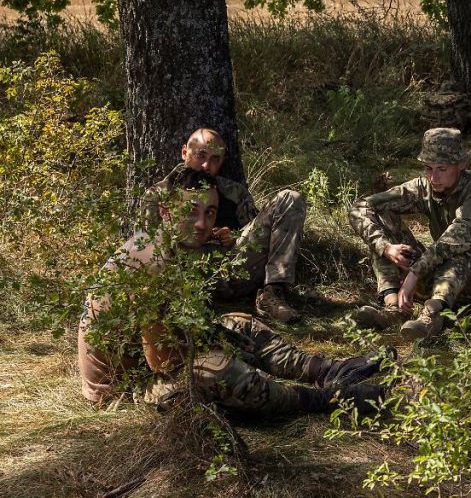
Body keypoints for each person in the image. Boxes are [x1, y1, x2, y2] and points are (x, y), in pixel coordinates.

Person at [79, 168, 386, 415]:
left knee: (238, 326)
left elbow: (179, 327)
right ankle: (323, 399)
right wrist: (218, 347)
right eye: (190, 211)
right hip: (127, 390)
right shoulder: (152, 263)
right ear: (165, 212)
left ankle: (325, 369)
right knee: (221, 370)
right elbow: (164, 361)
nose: (201, 224)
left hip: (149, 364)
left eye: (210, 213)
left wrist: (219, 335)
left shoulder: (162, 245)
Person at [348, 128, 471, 340]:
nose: (433, 177)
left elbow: (461, 234)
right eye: (428, 168)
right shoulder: (423, 186)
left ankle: (432, 314)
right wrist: (386, 248)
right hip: (438, 271)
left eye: (442, 169)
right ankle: (395, 308)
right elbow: (361, 207)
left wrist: (415, 273)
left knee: (462, 244)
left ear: (461, 165)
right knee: (382, 216)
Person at [143, 128, 306, 322]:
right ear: (185, 152)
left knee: (289, 198)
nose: (206, 165)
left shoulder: (234, 192)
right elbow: (150, 246)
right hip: (187, 272)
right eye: (201, 155)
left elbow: (259, 236)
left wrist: (234, 237)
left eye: (215, 159)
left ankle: (273, 293)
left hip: (234, 267)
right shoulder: (158, 195)